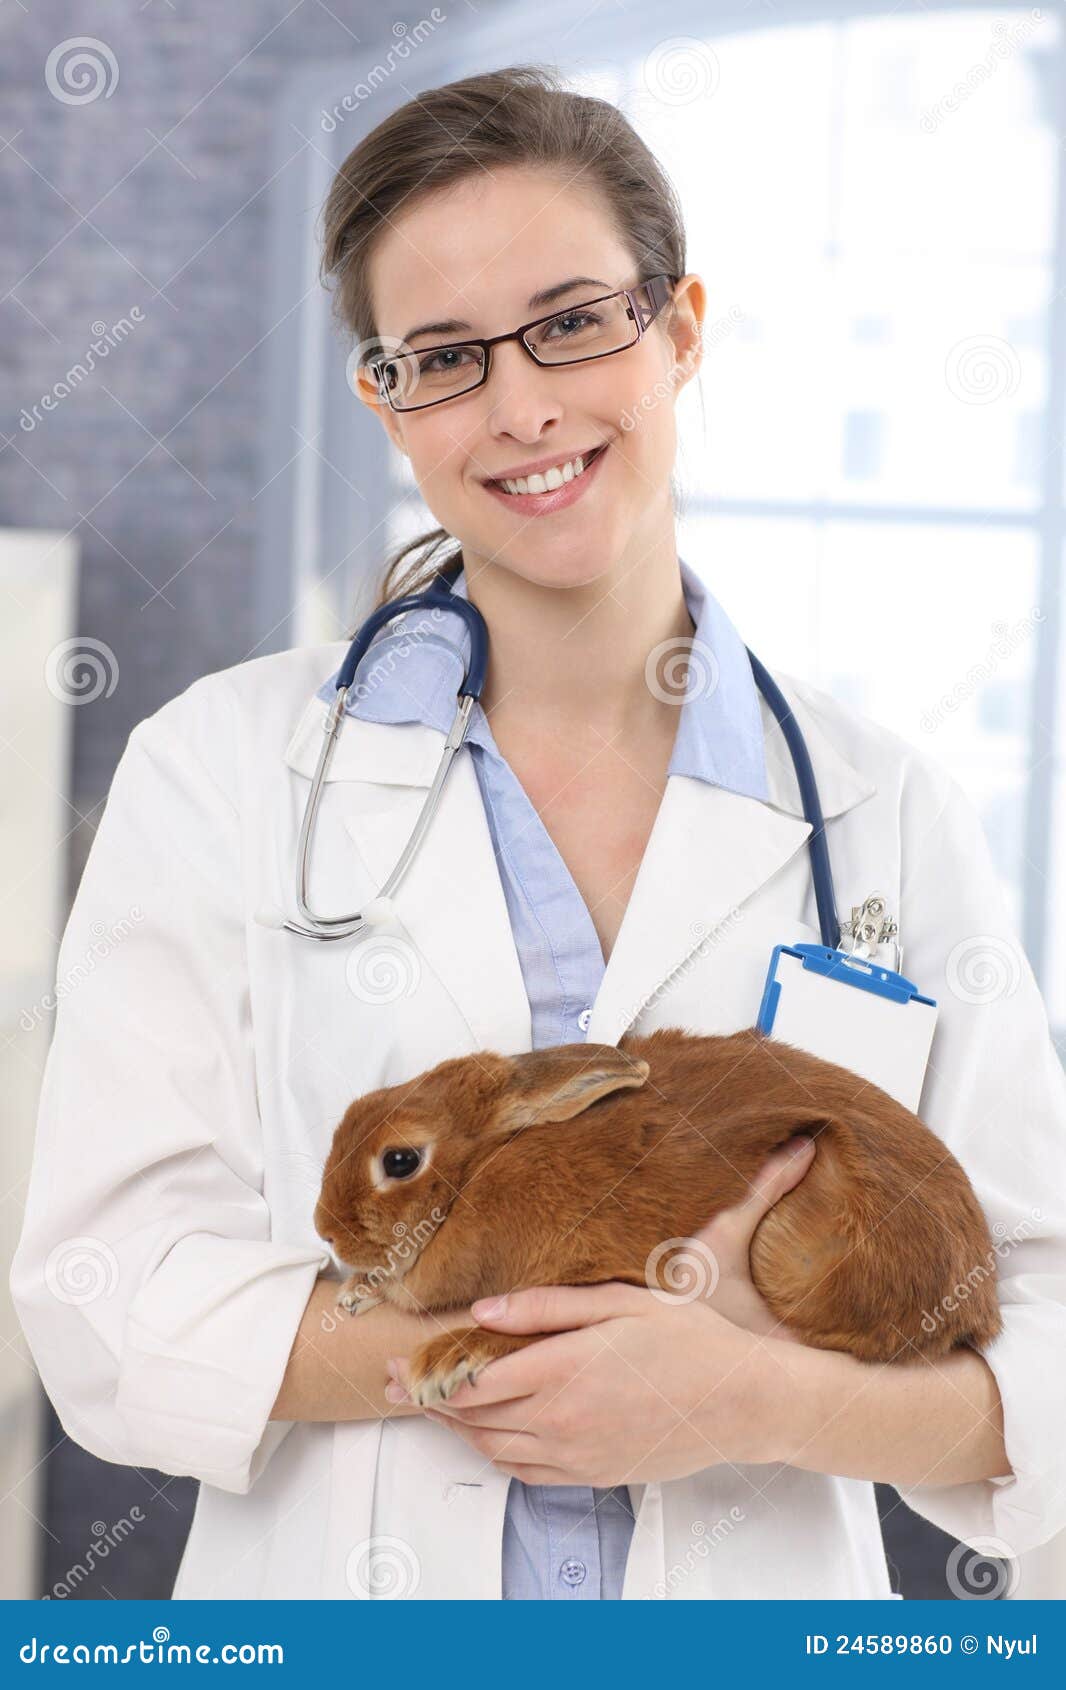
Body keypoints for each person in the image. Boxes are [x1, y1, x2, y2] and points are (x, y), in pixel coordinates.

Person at [10, 64, 1066, 1603]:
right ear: (382, 400)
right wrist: (471, 1362)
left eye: (573, 320)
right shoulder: (222, 773)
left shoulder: (881, 811)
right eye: (439, 358)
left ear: (680, 328)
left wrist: (748, 1397)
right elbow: (103, 1302)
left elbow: (1043, 1330)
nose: (520, 408)